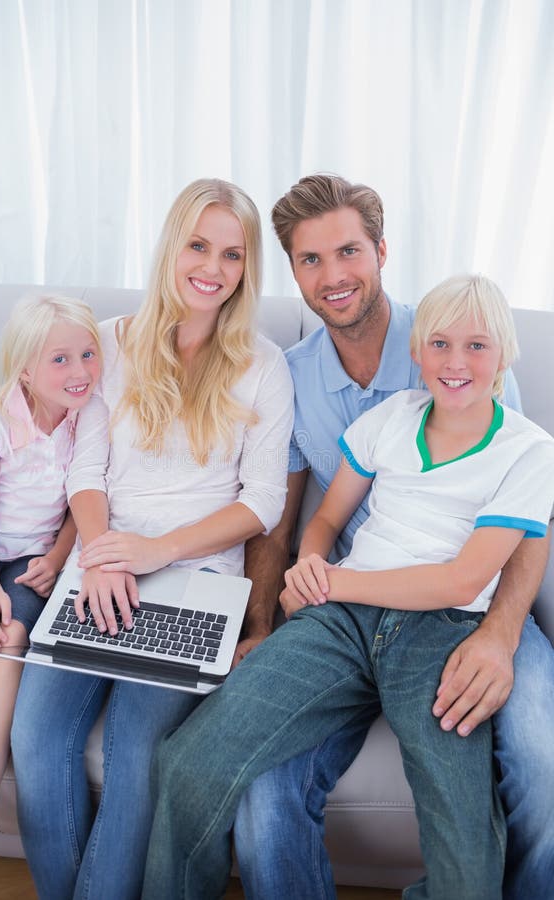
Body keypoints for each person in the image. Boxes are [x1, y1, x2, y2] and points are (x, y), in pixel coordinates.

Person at [147, 174, 554, 900]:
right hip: (340, 607)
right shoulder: (304, 380)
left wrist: (499, 631)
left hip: (464, 614)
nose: (333, 276)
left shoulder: (462, 356)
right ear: (292, 272)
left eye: (348, 252)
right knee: (244, 789)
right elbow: (291, 513)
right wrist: (271, 614)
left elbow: (516, 536)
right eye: (311, 260)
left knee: (535, 760)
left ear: (381, 251)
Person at [10, 178, 294, 900]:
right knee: (37, 744)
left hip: (197, 581)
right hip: (102, 564)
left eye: (232, 254)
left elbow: (261, 502)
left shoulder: (262, 363)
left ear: (246, 268)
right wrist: (103, 553)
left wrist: (158, 552)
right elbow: (87, 467)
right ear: (171, 246)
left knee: (139, 755)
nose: (213, 267)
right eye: (199, 245)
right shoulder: (107, 341)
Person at [0, 294, 101, 900]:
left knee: (10, 640)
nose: (79, 372)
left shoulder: (88, 416)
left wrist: (60, 556)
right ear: (25, 372)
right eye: (60, 360)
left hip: (35, 563)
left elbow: (83, 499)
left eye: (88, 354)